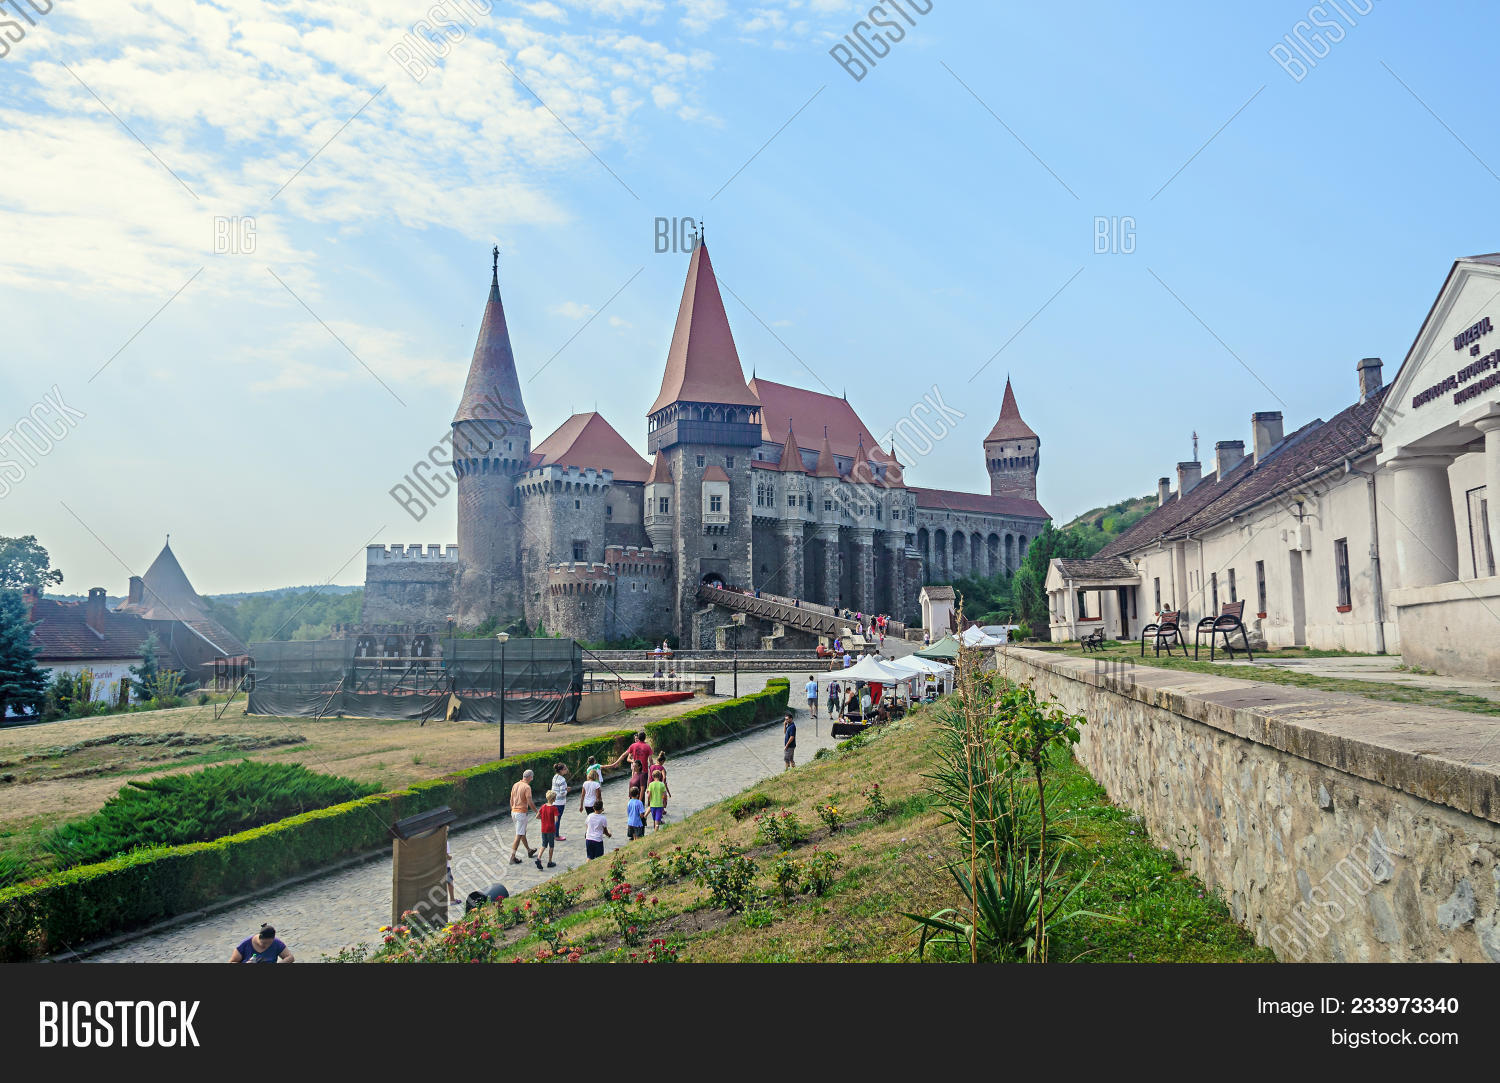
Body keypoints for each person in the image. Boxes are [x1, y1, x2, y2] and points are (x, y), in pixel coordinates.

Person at [509, 769, 539, 864]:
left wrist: (513, 809)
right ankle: (512, 857)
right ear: (530, 777)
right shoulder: (527, 787)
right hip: (521, 813)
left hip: (514, 812)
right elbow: (530, 802)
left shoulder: (515, 784)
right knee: (519, 835)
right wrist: (537, 812)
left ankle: (529, 850)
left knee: (522, 833)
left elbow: (511, 799)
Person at [537, 790, 561, 868]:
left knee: (544, 844)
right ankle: (550, 862)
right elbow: (556, 820)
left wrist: (543, 819)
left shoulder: (543, 806)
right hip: (551, 829)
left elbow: (537, 816)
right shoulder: (554, 808)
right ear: (554, 799)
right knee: (551, 846)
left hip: (543, 829)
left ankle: (538, 858)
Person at [550, 762, 570, 842]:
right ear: (561, 770)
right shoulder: (562, 779)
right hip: (560, 803)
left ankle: (553, 834)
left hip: (553, 801)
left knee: (554, 819)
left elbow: (556, 789)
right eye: (565, 769)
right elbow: (562, 793)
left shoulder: (555, 777)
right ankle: (556, 835)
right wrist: (567, 790)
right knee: (557, 819)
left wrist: (564, 789)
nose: (566, 770)